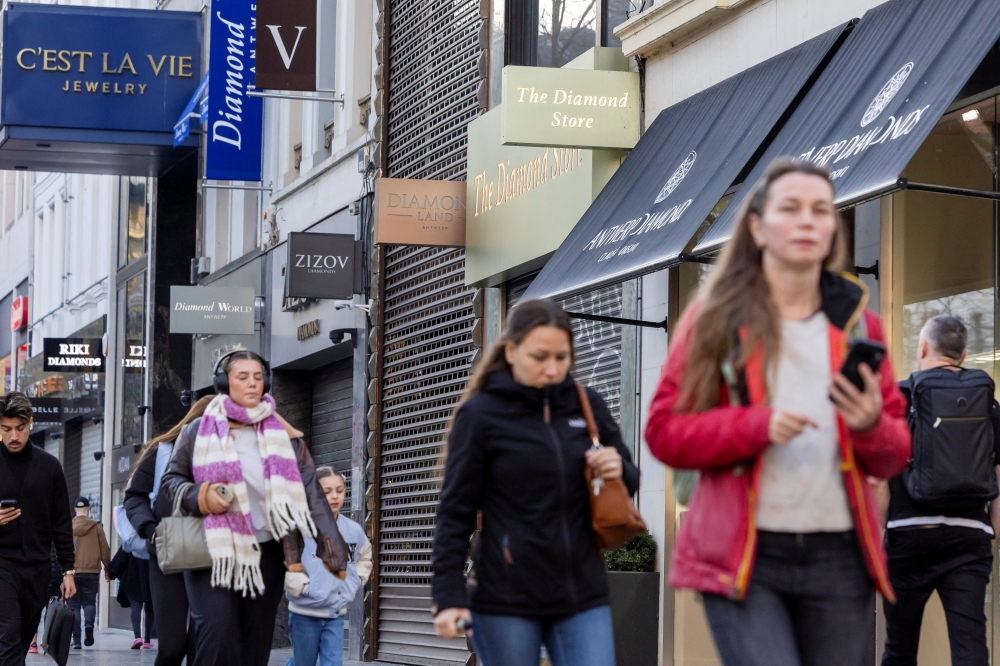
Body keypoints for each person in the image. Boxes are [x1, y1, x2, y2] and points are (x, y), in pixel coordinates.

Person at [644, 158, 912, 666]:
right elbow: (664, 432)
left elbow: (893, 456)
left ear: (833, 228)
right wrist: (756, 425)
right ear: (757, 228)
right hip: (747, 556)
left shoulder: (861, 325)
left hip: (840, 557)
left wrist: (870, 426)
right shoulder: (715, 319)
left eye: (820, 210)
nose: (808, 221)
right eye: (790, 209)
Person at [431, 299, 640, 666]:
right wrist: (448, 597)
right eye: (540, 357)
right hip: (506, 596)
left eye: (562, 358)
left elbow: (629, 481)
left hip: (581, 592)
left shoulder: (586, 404)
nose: (552, 369)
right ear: (511, 351)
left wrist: (617, 467)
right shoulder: (481, 415)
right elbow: (455, 512)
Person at [159, 350, 349, 666]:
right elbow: (171, 481)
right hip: (212, 552)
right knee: (216, 634)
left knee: (254, 644)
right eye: (242, 377)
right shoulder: (197, 432)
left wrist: (330, 543)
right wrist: (201, 495)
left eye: (258, 377)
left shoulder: (286, 439)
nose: (252, 384)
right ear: (223, 383)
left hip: (268, 554)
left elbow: (310, 491)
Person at [880, 315, 1000, 666]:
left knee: (899, 648)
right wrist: (991, 531)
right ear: (963, 356)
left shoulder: (899, 398)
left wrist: (877, 535)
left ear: (922, 348)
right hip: (969, 538)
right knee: (970, 646)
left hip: (907, 535)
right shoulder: (987, 404)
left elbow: (881, 477)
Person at [124, 394, 213, 666]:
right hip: (168, 551)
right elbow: (134, 496)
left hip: (213, 556)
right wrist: (151, 530)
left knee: (204, 645)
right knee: (172, 647)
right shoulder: (163, 450)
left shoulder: (232, 457)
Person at [0, 392, 76, 666]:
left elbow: (62, 524)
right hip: (3, 565)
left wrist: (68, 570)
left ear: (30, 423)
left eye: (19, 428)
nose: (13, 436)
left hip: (38, 570)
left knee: (19, 642)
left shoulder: (49, 467)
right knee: (7, 636)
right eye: (6, 429)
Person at [285, 466, 373, 666]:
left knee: (333, 663)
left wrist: (355, 581)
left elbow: (365, 556)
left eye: (340, 490)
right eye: (327, 491)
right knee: (303, 663)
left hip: (335, 614)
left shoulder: (353, 530)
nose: (335, 496)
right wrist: (303, 588)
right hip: (304, 614)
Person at [68, 496, 111, 649]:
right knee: (89, 603)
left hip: (72, 573)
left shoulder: (68, 527)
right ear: (89, 509)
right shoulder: (96, 526)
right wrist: (107, 568)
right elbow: (105, 549)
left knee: (73, 606)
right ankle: (89, 627)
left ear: (74, 510)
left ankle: (77, 641)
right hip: (92, 572)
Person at [114, 499, 154, 649]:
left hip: (134, 572)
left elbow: (122, 553)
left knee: (136, 604)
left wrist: (111, 572)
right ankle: (148, 640)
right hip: (150, 570)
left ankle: (137, 637)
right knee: (150, 606)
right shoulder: (152, 524)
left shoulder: (130, 528)